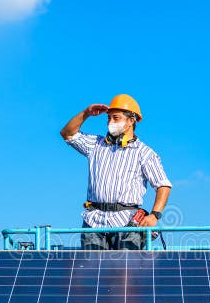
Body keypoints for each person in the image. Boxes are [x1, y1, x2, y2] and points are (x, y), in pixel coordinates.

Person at [59, 94, 172, 250]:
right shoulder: (95, 145)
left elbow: (163, 185)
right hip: (94, 220)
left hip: (127, 221)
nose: (110, 122)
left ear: (131, 120)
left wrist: (154, 215)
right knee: (93, 271)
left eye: (116, 118)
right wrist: (86, 113)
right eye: (109, 118)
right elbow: (67, 133)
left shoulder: (144, 153)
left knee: (124, 271)